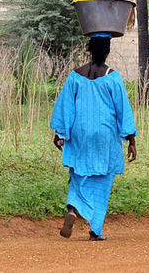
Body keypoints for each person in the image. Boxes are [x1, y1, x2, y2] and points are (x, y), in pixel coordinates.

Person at [49, 33, 137, 240]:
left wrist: (60, 133)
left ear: (89, 50)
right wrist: (131, 140)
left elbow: (65, 107)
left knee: (78, 173)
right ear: (107, 52)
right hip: (105, 134)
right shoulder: (113, 78)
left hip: (80, 132)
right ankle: (95, 230)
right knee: (103, 179)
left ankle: (72, 209)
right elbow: (123, 110)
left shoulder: (75, 76)